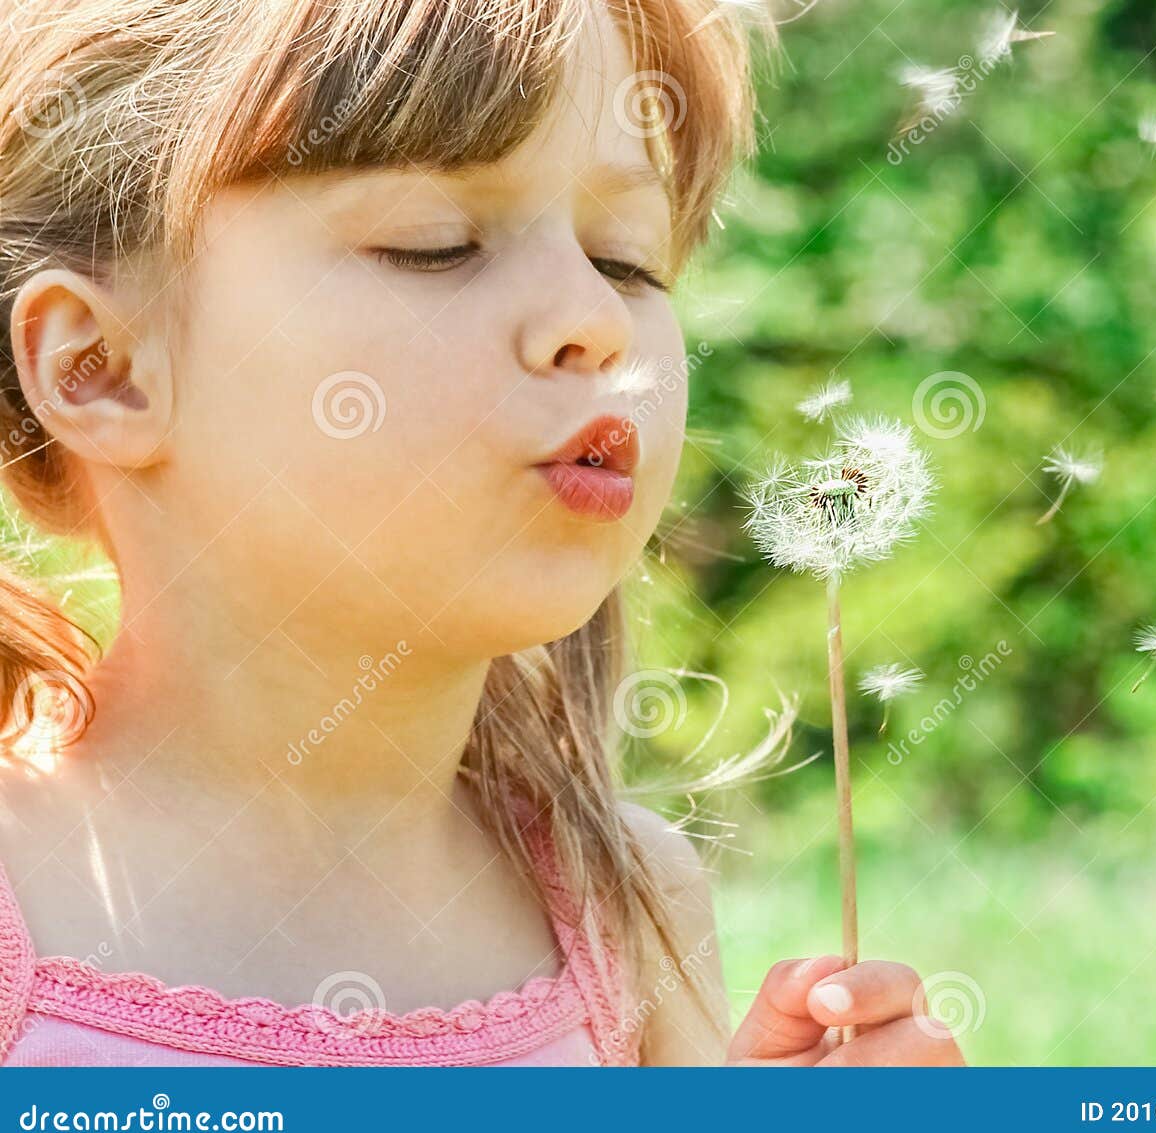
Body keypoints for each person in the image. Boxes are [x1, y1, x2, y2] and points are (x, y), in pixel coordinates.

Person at [0, 0, 963, 1067]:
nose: (592, 319)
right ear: (101, 367)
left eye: (627, 259)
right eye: (435, 244)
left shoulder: (626, 904)